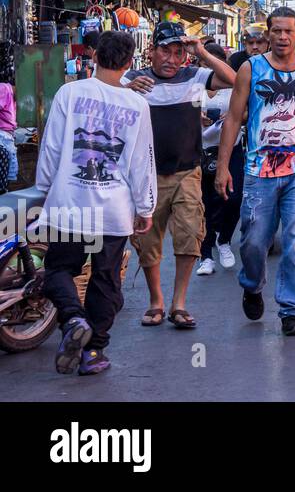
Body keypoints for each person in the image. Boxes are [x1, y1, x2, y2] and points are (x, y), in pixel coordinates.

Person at [35, 30, 156, 376]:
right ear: (130, 63)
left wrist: (45, 188)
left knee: (59, 269)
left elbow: (53, 146)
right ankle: (93, 353)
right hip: (114, 210)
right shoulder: (137, 105)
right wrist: (145, 208)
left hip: (70, 203)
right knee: (105, 279)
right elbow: (141, 163)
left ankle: (73, 318)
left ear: (94, 56)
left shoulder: (69, 93)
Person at [216, 6, 295, 336]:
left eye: (288, 31)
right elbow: (233, 119)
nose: (282, 37)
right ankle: (252, 285)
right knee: (254, 242)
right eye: (276, 31)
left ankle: (292, 311)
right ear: (268, 34)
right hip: (258, 170)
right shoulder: (250, 69)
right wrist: (223, 166)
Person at [124, 22, 235, 329]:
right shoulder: (134, 79)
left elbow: (235, 80)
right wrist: (124, 90)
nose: (172, 59)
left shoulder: (195, 76)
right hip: (146, 177)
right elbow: (104, 94)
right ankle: (156, 301)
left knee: (189, 236)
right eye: (165, 51)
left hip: (188, 171)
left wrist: (200, 52)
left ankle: (179, 303)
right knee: (147, 242)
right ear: (151, 51)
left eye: (178, 53)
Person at [197, 43, 237, 276]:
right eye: (204, 62)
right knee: (205, 204)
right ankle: (206, 255)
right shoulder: (195, 86)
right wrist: (196, 117)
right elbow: (185, 110)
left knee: (233, 198)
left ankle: (225, 240)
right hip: (201, 150)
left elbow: (245, 112)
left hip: (231, 149)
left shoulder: (233, 86)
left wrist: (232, 116)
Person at [0, 72, 16, 192]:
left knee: (11, 174)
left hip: (8, 137)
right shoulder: (4, 89)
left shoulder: (14, 97)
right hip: (2, 136)